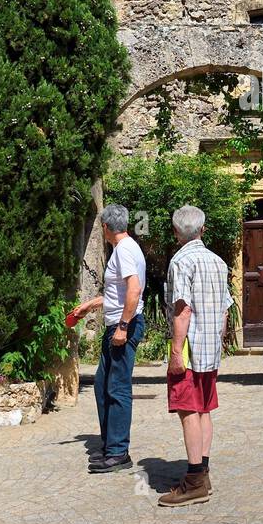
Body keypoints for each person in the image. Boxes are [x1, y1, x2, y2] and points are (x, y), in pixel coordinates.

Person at [158, 204, 233, 507]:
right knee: (204, 409)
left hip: (190, 348)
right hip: (211, 346)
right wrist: (219, 338)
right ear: (203, 230)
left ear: (176, 233)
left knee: (188, 411)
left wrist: (177, 352)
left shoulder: (180, 261)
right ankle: (203, 471)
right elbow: (226, 309)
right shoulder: (218, 261)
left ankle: (193, 483)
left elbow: (182, 310)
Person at [67, 204, 146, 473]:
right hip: (117, 324)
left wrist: (123, 327)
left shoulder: (123, 250)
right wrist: (91, 304)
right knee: (103, 385)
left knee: (117, 388)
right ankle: (111, 444)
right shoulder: (127, 248)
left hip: (123, 327)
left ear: (105, 228)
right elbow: (120, 293)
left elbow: (134, 291)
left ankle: (118, 453)